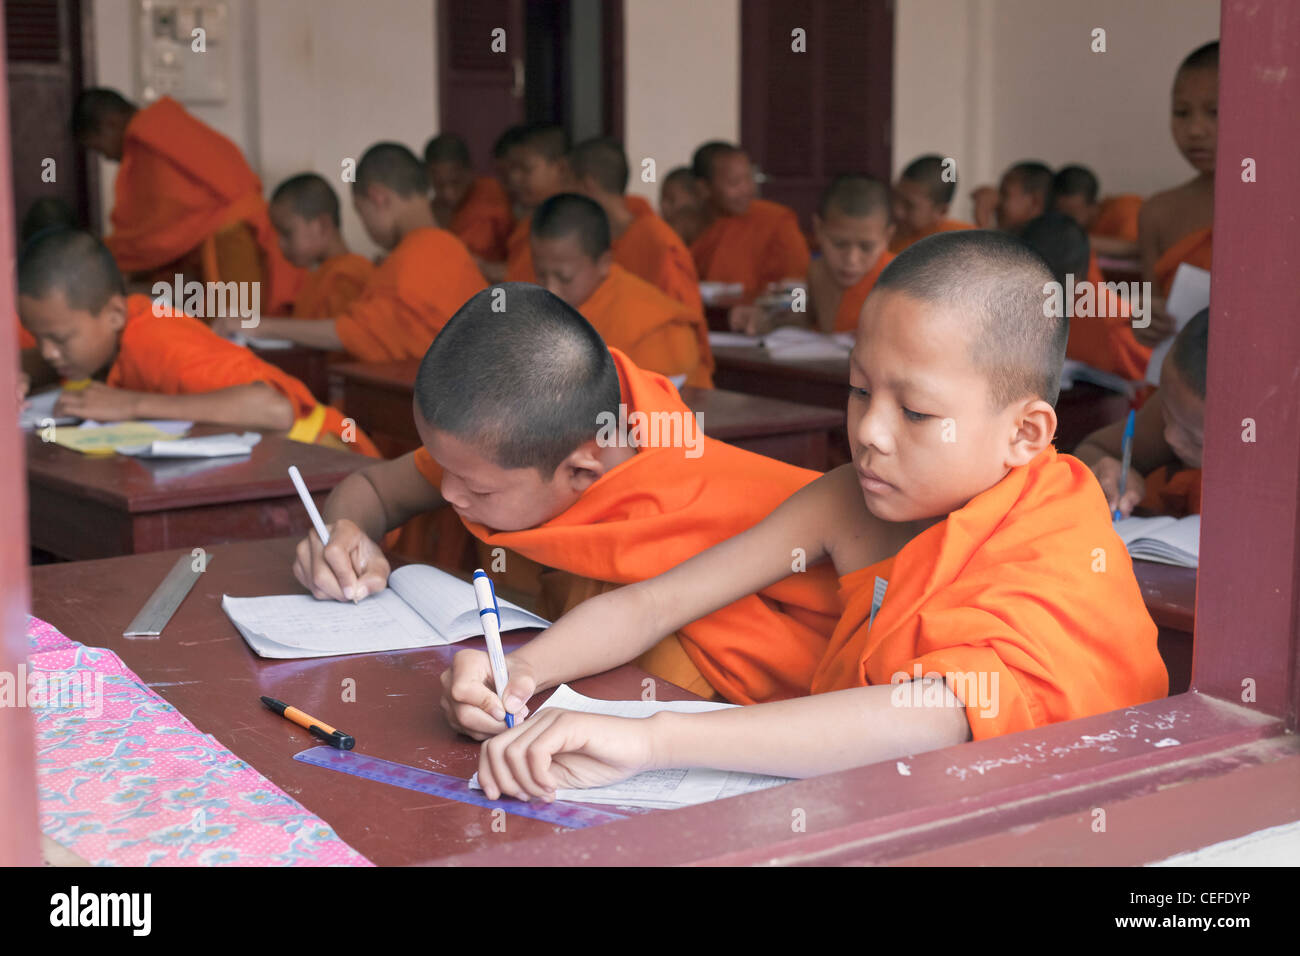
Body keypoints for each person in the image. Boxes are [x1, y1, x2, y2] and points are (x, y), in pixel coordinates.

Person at [439, 231, 1167, 798]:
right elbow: (660, 601)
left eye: (914, 412)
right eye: (858, 391)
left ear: (1026, 435)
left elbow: (936, 714)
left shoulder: (1053, 536)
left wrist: (653, 741)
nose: (871, 433)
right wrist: (519, 672)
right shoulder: (850, 500)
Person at [292, 284, 842, 701]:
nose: (450, 493)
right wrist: (346, 534)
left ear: (582, 471)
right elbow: (370, 487)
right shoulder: (507, 440)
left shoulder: (685, 504)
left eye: (476, 488)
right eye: (442, 469)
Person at [18, 229, 377, 455]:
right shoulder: (109, 337)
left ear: (113, 313)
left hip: (320, 455)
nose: (49, 352)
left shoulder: (155, 339)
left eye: (60, 339)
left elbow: (273, 409)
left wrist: (130, 404)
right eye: (39, 338)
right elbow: (45, 358)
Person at [224, 142, 485, 361]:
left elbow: (357, 332)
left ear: (378, 198)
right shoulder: (450, 249)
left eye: (361, 212)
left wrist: (257, 326)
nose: (365, 226)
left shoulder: (418, 254)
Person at [72, 88, 303, 316]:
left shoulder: (149, 142)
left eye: (98, 147)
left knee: (234, 337)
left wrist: (109, 258)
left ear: (110, 124)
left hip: (231, 243)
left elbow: (158, 233)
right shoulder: (169, 124)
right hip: (241, 237)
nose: (106, 157)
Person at [530, 194, 712, 387]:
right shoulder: (534, 309)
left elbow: (664, 405)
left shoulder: (656, 328)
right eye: (541, 275)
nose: (550, 290)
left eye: (564, 278)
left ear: (604, 263)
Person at [1075, 308, 1207, 517]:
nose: (1169, 437)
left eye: (1196, 440)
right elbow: (1092, 449)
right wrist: (1107, 470)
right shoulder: (1182, 407)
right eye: (1166, 413)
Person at [730, 174, 894, 335]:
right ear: (818, 229)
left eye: (866, 247)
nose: (851, 259)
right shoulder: (812, 272)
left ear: (887, 237)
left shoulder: (903, 281)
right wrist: (764, 319)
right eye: (839, 244)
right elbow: (797, 313)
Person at [1136, 41, 1218, 350]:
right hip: (1176, 387)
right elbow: (1151, 309)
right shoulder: (1159, 212)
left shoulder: (1285, 207)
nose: (1195, 129)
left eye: (1215, 112)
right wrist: (1144, 322)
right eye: (1182, 113)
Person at [569, 137, 703, 316]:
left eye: (567, 183)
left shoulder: (657, 243)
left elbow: (679, 320)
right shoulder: (592, 239)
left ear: (587, 186)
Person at [690, 142, 810, 302]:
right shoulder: (692, 226)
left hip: (769, 321)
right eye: (735, 183)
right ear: (704, 188)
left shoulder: (776, 221)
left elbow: (800, 288)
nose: (748, 189)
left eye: (749, 178)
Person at [269, 173, 374, 319]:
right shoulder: (316, 276)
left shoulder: (348, 276)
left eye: (287, 233)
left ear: (322, 225)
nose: (280, 244)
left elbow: (338, 337)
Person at [425, 132, 514, 270]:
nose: (448, 193)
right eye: (439, 185)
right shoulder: (428, 211)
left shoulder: (494, 195)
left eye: (456, 182)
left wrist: (484, 268)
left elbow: (520, 261)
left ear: (470, 171)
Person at [889, 154, 973, 254]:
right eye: (895, 197)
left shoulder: (965, 244)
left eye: (909, 205)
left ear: (941, 211)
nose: (897, 210)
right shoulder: (886, 231)